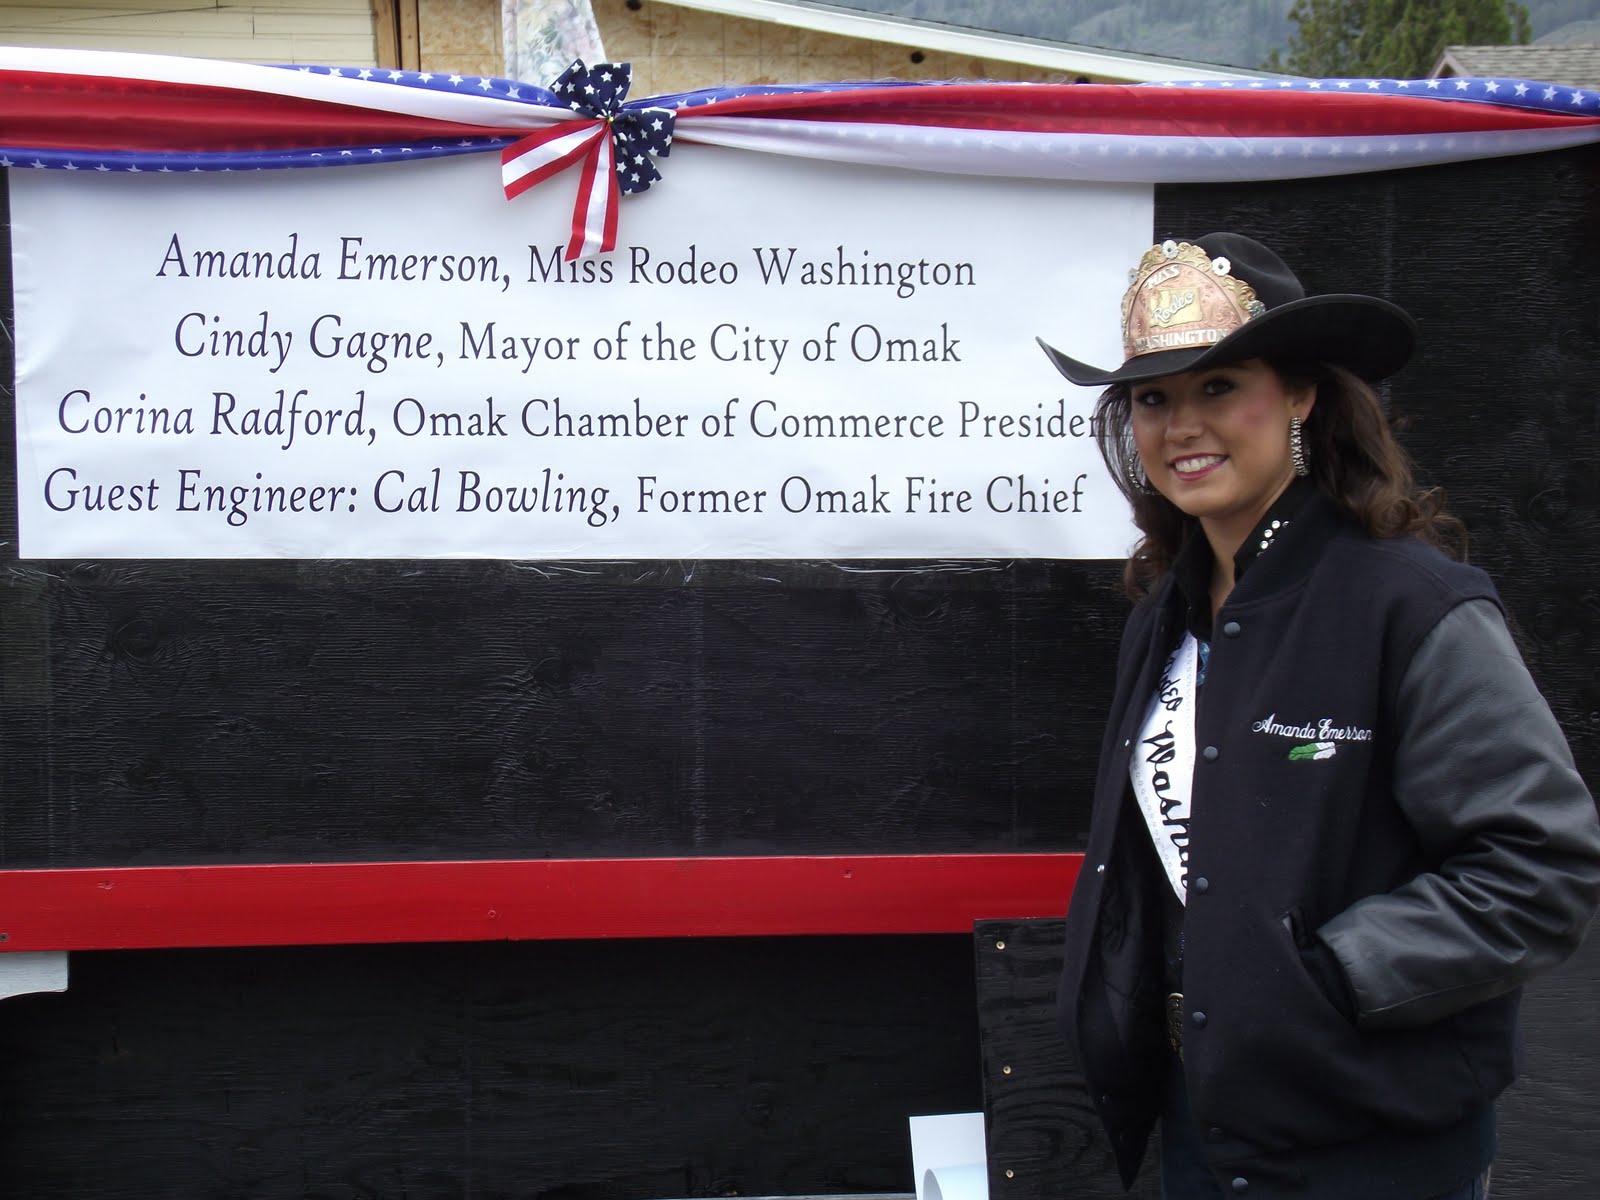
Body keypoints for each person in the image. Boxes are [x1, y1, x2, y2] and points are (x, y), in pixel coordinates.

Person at [1034, 233, 1600, 1200]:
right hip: (1203, 1127)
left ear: (1299, 395)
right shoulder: (1163, 619)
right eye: (1152, 398)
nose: (1180, 426)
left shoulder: (1410, 606)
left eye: (1220, 386)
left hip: (1371, 1145)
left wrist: (1325, 979)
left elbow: (1541, 867)